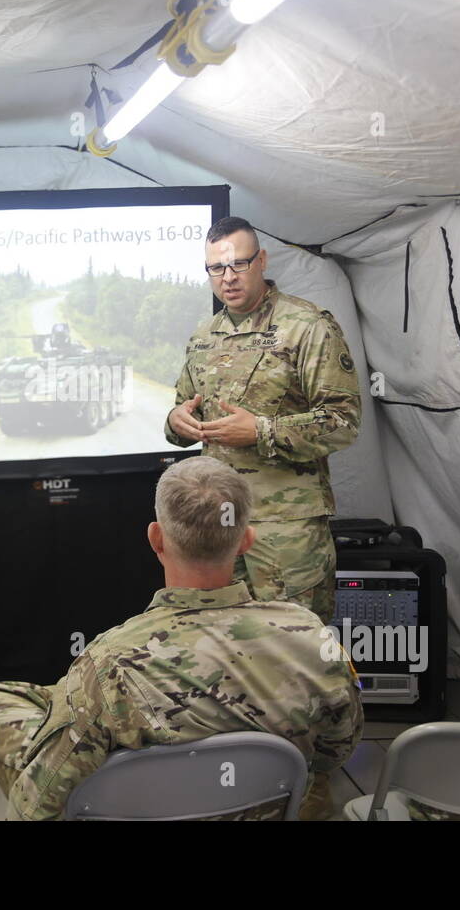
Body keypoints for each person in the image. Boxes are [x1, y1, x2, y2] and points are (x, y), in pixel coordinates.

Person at [0, 456, 362, 820]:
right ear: (246, 540)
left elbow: (37, 805)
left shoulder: (109, 664)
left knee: (2, 707)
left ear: (156, 539)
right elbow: (334, 752)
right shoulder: (313, 638)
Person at [164, 216, 360, 623]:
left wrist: (261, 431)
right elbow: (183, 411)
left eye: (239, 264)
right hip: (216, 529)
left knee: (294, 649)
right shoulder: (204, 335)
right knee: (224, 649)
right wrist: (175, 420)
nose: (228, 278)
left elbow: (343, 421)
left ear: (262, 261)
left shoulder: (306, 326)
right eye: (216, 268)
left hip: (285, 531)